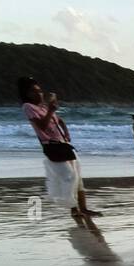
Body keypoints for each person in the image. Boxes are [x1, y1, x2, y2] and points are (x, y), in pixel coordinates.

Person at [18, 77, 97, 218]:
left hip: (63, 144)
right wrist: (50, 111)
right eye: (33, 91)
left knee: (78, 178)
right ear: (26, 93)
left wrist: (66, 133)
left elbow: (59, 120)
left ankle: (83, 209)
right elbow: (42, 125)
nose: (38, 94)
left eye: (39, 91)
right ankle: (74, 210)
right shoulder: (28, 107)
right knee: (69, 177)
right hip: (52, 147)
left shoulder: (43, 106)